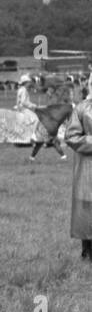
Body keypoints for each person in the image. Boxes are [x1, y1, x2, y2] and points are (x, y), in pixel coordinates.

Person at [65, 85, 92, 262]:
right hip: (88, 167)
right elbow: (71, 136)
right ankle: (88, 252)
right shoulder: (82, 108)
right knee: (88, 210)